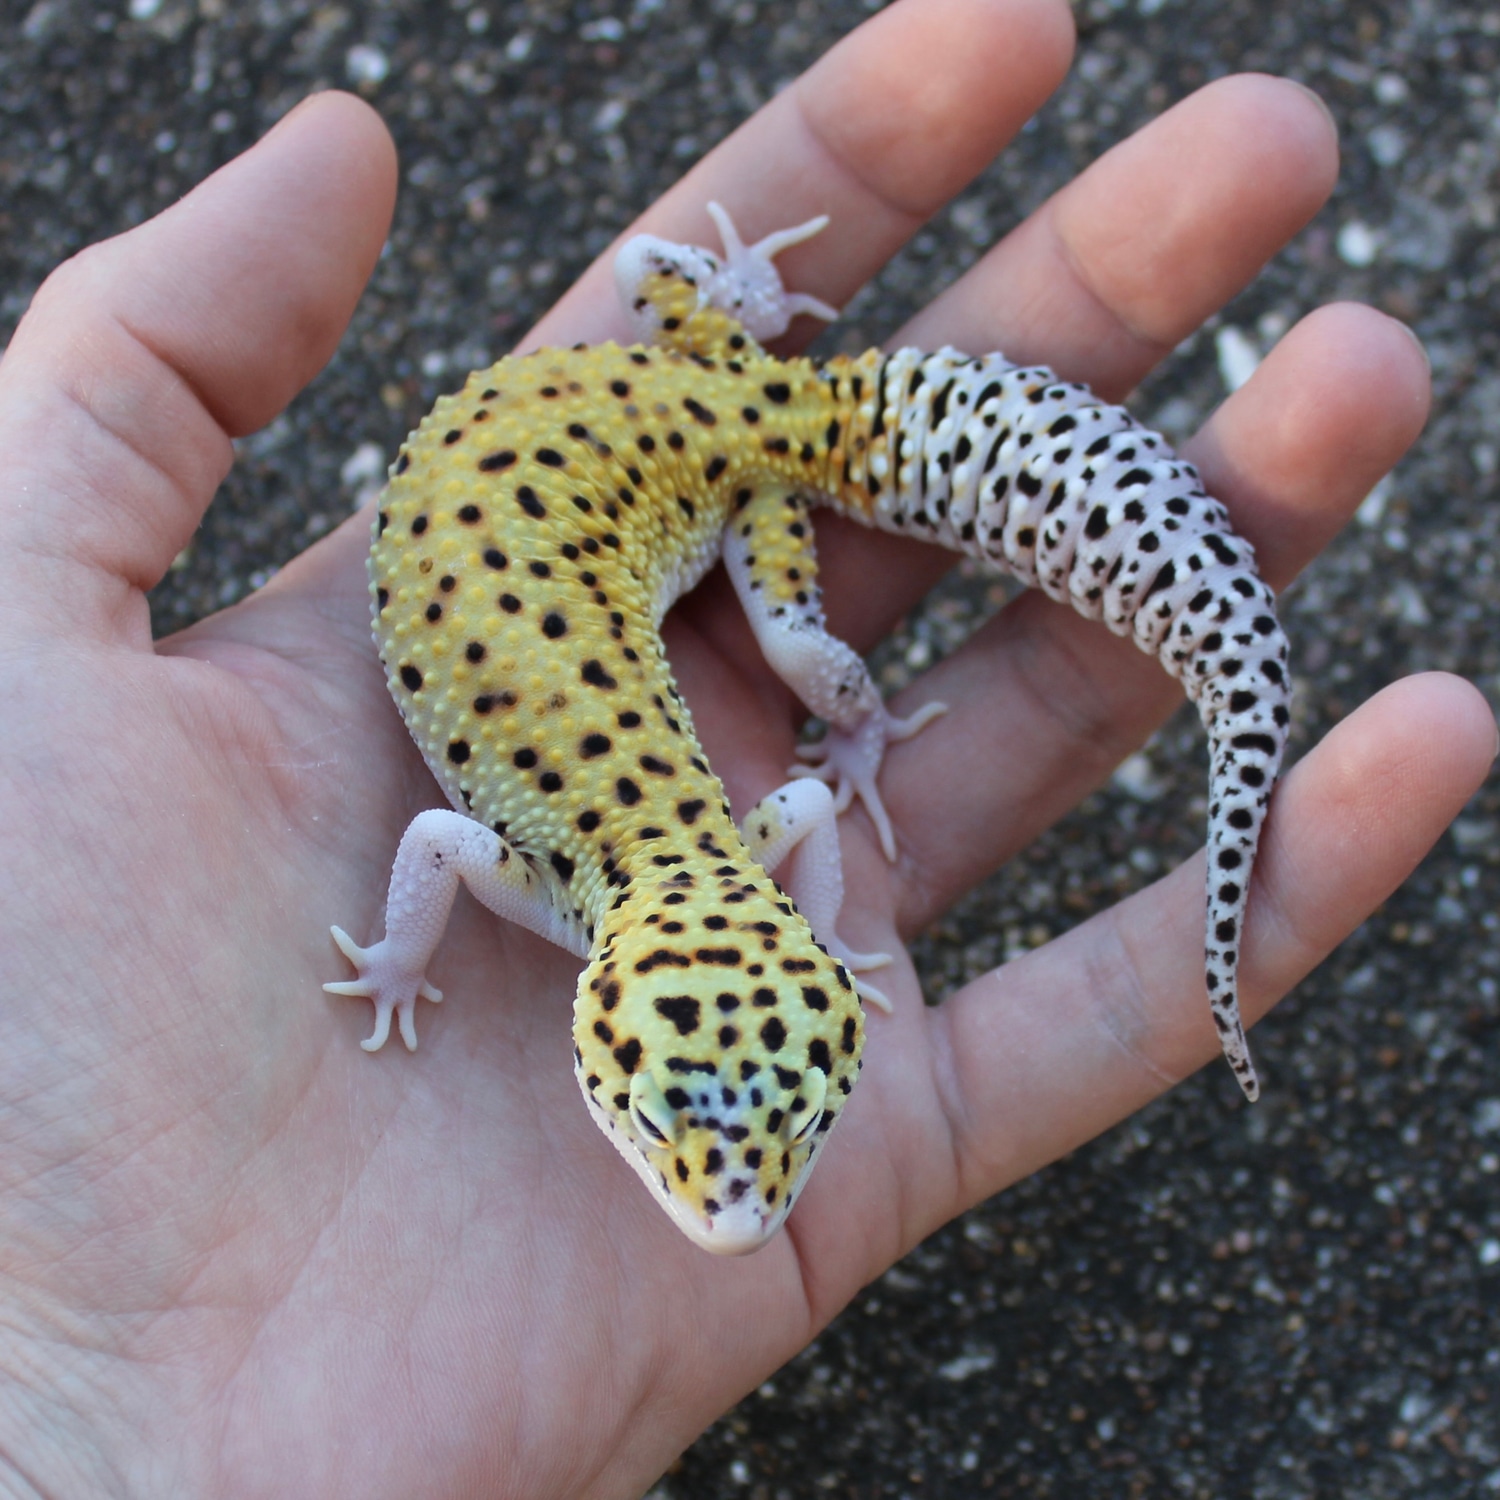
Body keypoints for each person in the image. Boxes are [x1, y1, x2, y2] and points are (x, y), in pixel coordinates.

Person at [0, 0, 1489, 1493]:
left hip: (698, 437)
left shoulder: (704, 850)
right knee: (800, 657)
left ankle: (764, 349)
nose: (733, 1203)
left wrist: (837, 772)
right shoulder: (620, 867)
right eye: (703, 1128)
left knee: (795, 652)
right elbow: (457, 839)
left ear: (618, 1019)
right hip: (648, 418)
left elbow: (536, 835)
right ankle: (732, 336)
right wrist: (849, 746)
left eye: (740, 1131)